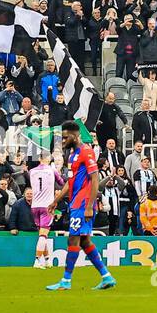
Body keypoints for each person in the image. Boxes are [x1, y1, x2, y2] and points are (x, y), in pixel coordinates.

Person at [44, 121, 117, 292]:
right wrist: (57, 200)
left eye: (65, 137)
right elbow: (71, 182)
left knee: (74, 239)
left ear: (75, 136)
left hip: (83, 203)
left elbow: (95, 179)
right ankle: (107, 276)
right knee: (84, 241)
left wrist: (90, 206)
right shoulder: (72, 155)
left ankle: (66, 280)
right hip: (75, 202)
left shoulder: (86, 151)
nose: (62, 141)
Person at [28, 157, 62, 270]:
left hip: (34, 206)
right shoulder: (52, 170)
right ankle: (37, 260)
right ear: (48, 158)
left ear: (39, 158)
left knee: (42, 235)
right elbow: (61, 183)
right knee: (43, 235)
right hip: (47, 206)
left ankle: (47, 260)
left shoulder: (32, 171)